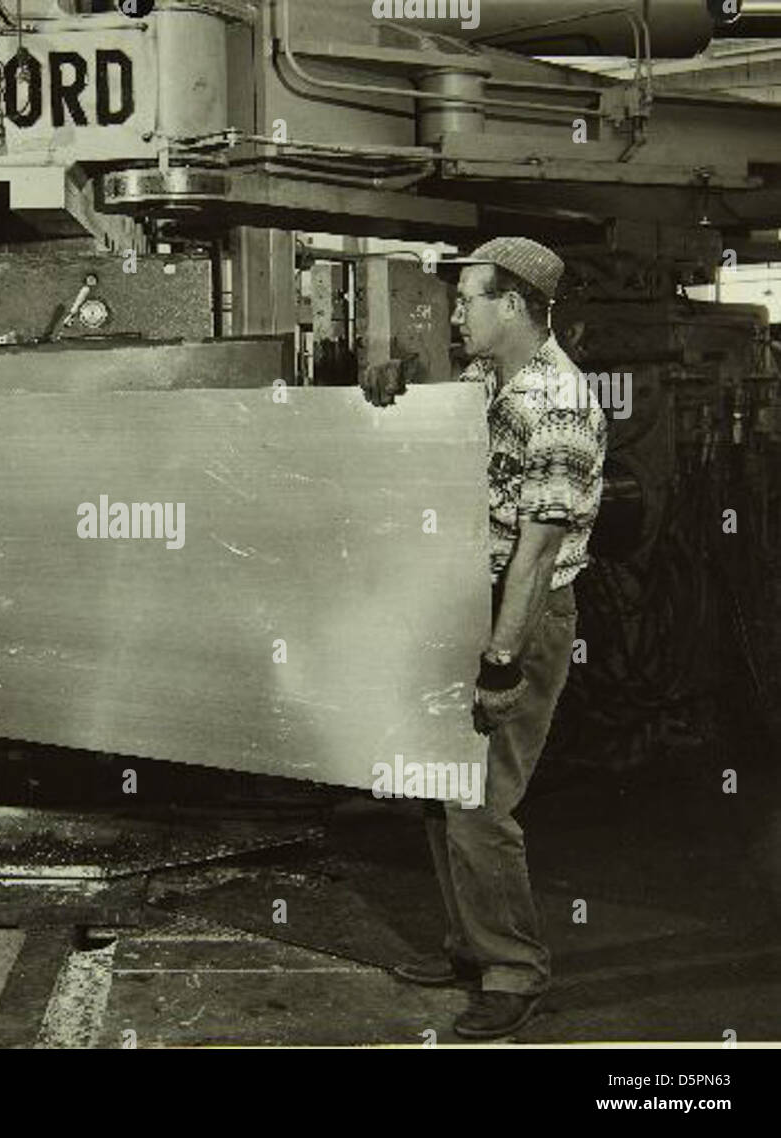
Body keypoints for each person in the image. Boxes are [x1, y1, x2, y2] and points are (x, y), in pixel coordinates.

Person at [362, 237, 607, 1038]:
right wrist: (393, 390)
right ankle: (470, 943)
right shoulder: (485, 381)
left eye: (469, 298)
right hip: (468, 598)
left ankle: (514, 968)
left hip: (522, 615)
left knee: (481, 801)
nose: (454, 312)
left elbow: (537, 553)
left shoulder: (561, 403)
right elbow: (439, 442)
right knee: (443, 787)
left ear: (514, 306)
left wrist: (502, 661)